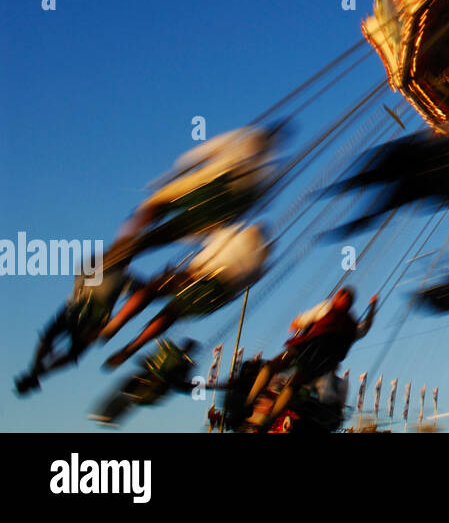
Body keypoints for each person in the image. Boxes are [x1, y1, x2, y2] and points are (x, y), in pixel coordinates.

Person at [105, 125, 281, 269]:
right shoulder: (273, 168)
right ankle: (121, 257)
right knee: (166, 234)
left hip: (214, 183)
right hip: (227, 207)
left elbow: (201, 153)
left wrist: (176, 172)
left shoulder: (243, 136)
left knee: (156, 204)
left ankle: (115, 252)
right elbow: (260, 204)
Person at [100, 223, 268, 368]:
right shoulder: (259, 264)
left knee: (153, 289)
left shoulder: (234, 234)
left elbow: (210, 237)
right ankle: (133, 347)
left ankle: (114, 324)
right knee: (171, 314)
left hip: (201, 275)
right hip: (216, 296)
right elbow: (243, 287)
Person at [242, 287, 376, 432]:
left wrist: (297, 323)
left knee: (270, 368)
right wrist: (372, 307)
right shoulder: (351, 326)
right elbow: (365, 328)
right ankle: (270, 419)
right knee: (292, 387)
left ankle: (248, 404)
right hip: (320, 363)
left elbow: (303, 320)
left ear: (339, 297)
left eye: (339, 296)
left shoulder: (326, 307)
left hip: (305, 349)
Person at [14, 269, 132, 395]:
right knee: (62, 339)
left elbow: (55, 345)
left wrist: (39, 369)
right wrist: (39, 368)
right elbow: (52, 342)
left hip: (88, 308)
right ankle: (36, 369)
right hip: (87, 307)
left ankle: (36, 369)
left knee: (63, 340)